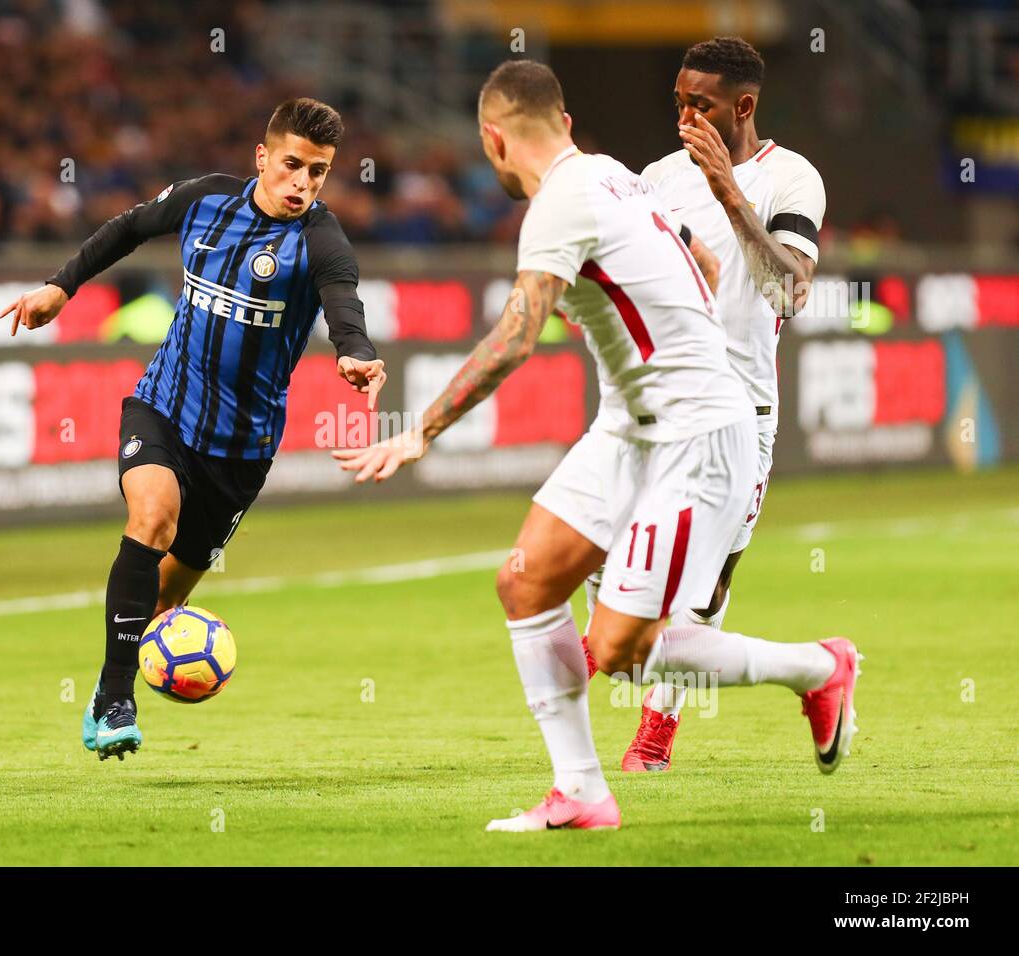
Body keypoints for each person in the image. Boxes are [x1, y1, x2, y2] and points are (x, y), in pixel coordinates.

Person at [334, 60, 858, 832]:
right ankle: (580, 791)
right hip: (629, 425)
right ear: (567, 125)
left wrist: (418, 432)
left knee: (620, 648)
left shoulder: (558, 207)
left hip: (697, 432)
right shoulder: (619, 175)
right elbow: (704, 261)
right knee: (526, 583)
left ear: (493, 140)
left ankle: (820, 667)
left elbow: (514, 340)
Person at [0, 98, 386, 760]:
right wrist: (62, 287)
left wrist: (353, 348)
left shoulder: (320, 239)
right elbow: (127, 228)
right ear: (262, 158)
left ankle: (104, 685)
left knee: (163, 600)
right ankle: (121, 697)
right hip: (163, 407)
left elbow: (342, 300)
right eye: (292, 165)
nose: (302, 183)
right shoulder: (204, 201)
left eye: (317, 172)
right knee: (151, 515)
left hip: (239, 453)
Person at [594, 36, 828, 772]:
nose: (685, 117)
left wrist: (729, 191)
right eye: (678, 103)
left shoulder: (791, 178)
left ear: (744, 106)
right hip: (653, 407)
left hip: (741, 415)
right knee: (608, 579)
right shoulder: (656, 177)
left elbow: (788, 288)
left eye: (701, 104)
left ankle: (656, 734)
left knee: (704, 589)